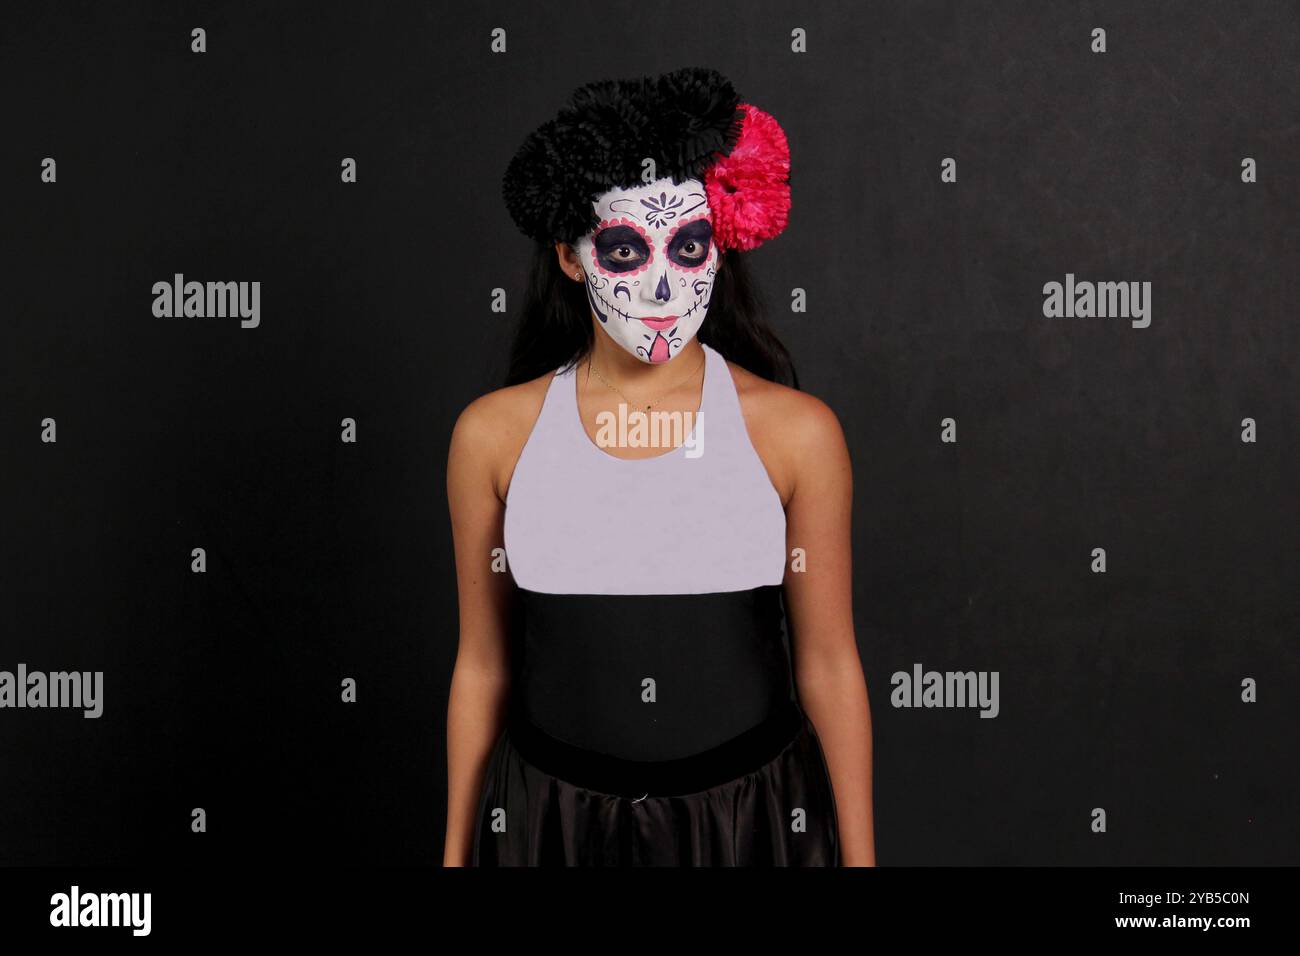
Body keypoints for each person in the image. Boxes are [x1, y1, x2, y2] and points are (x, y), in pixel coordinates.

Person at [444, 66, 875, 866]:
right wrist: (454, 852)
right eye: (622, 249)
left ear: (721, 243)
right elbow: (483, 665)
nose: (662, 284)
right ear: (572, 258)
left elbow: (828, 663)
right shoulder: (493, 436)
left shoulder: (796, 434)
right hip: (554, 829)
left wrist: (860, 861)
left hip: (749, 825)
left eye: (687, 244)